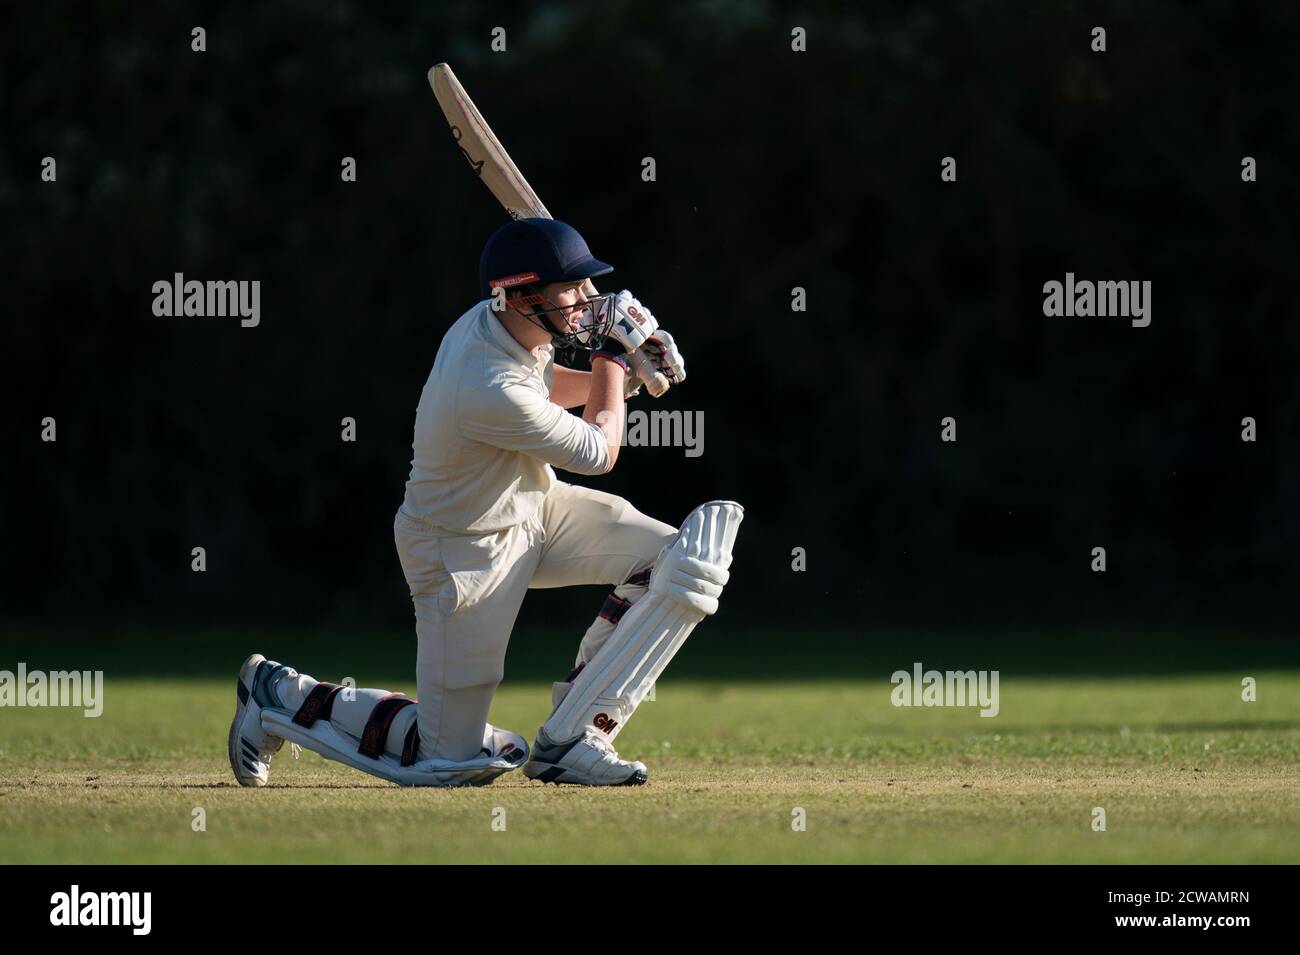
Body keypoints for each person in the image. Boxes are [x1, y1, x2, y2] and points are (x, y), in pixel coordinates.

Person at [228, 218, 741, 788]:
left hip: (537, 511)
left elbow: (549, 391)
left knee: (680, 561)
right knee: (449, 759)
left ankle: (576, 737)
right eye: (570, 292)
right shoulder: (486, 384)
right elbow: (599, 451)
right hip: (462, 551)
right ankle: (275, 692)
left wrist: (626, 377)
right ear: (521, 297)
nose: (583, 305)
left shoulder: (503, 325)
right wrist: (615, 359)